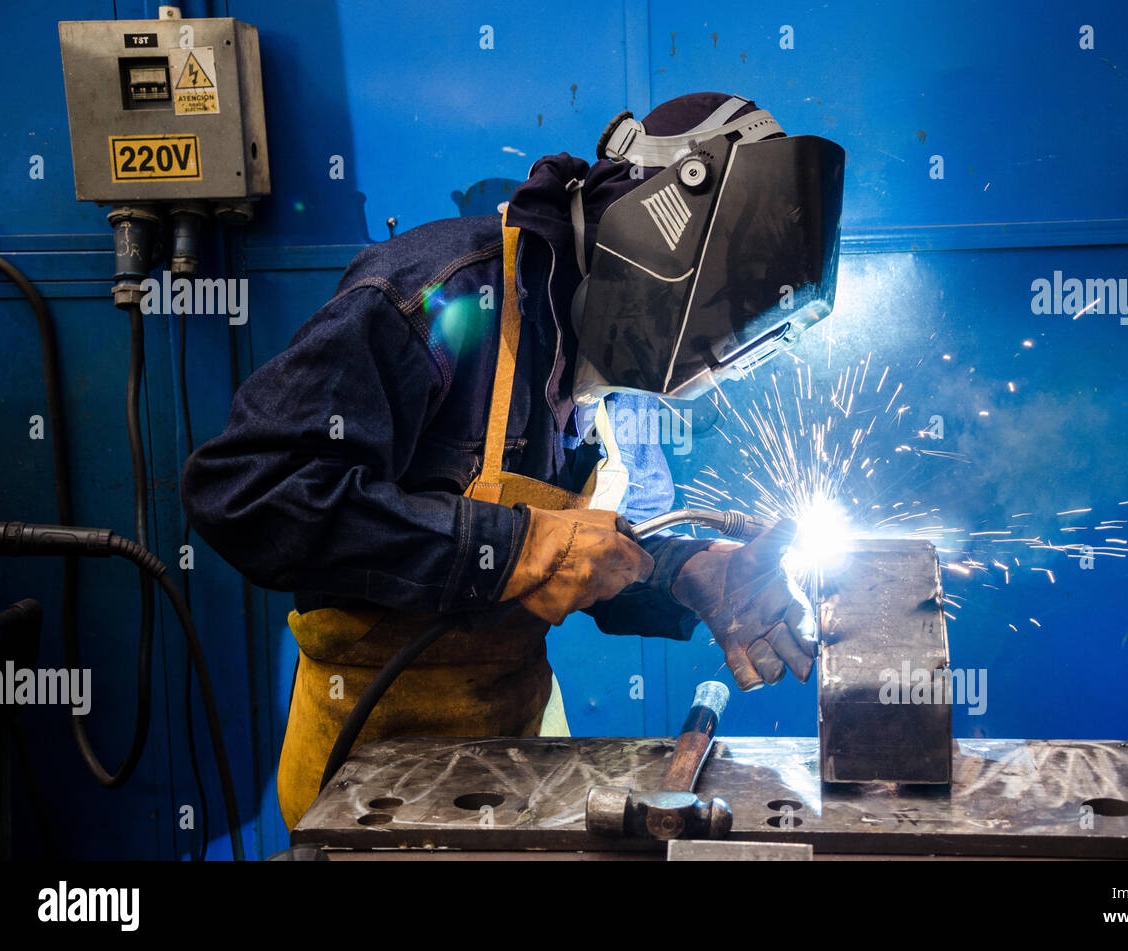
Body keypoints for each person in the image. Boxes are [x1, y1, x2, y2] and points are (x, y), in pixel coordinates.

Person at [181, 92, 844, 828]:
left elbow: (577, 560)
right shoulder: (441, 295)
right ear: (664, 237)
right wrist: (514, 545)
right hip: (371, 773)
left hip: (515, 753)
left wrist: (688, 571)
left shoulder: (614, 372)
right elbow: (248, 491)